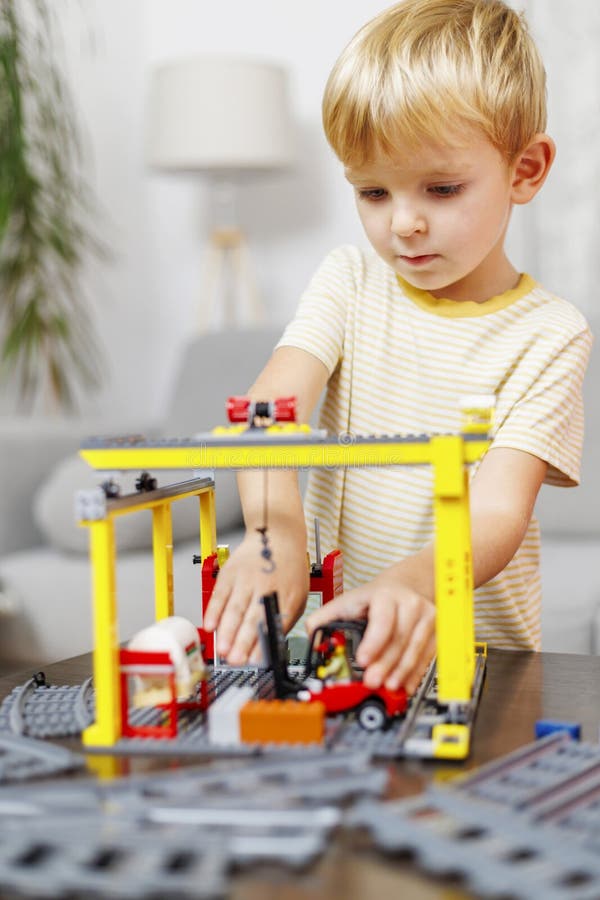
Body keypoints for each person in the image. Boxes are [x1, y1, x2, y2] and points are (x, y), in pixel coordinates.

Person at [204, 0, 593, 696]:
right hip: (339, 660)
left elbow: (496, 513)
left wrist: (409, 586)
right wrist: (273, 532)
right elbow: (268, 409)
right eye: (373, 191)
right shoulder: (349, 282)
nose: (403, 223)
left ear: (525, 170)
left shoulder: (551, 332)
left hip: (481, 668)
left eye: (441, 188)